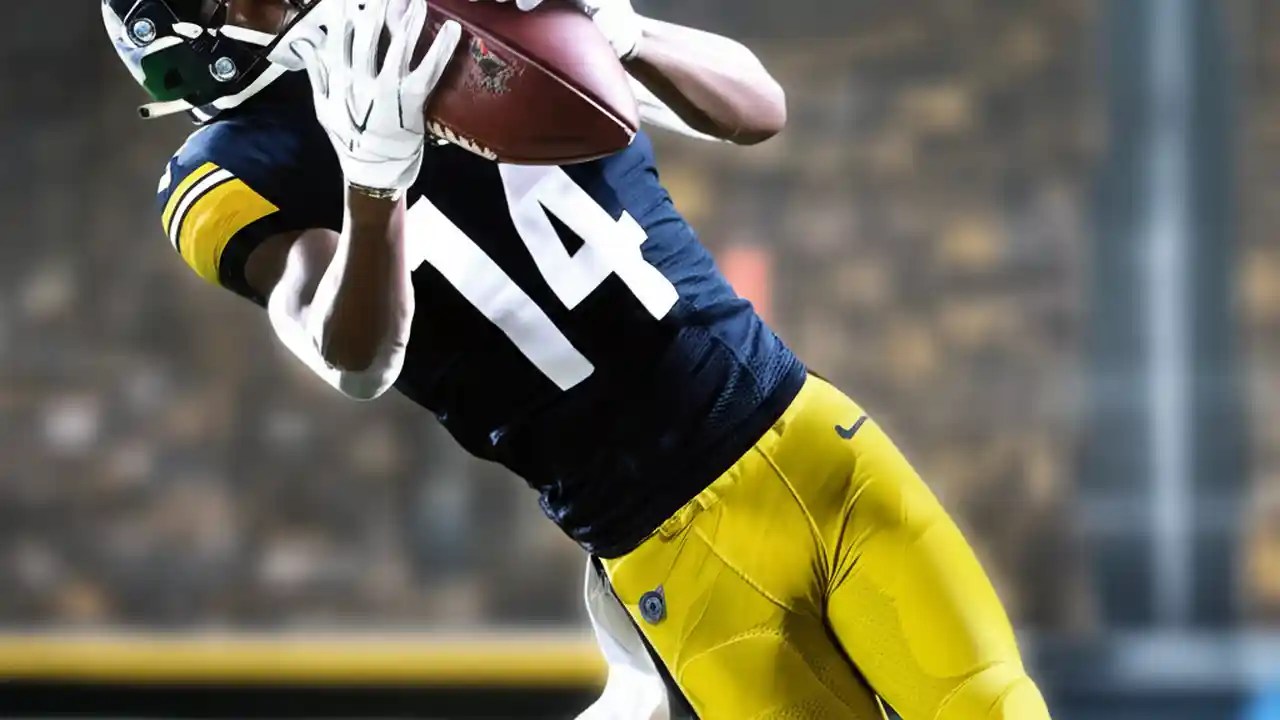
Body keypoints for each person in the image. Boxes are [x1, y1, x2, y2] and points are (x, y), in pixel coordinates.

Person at [103, 0, 1053, 716]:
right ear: (203, 38)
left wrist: (620, 29)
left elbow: (759, 108)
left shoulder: (442, 24)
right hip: (668, 538)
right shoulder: (225, 169)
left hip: (816, 439)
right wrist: (372, 186)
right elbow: (353, 358)